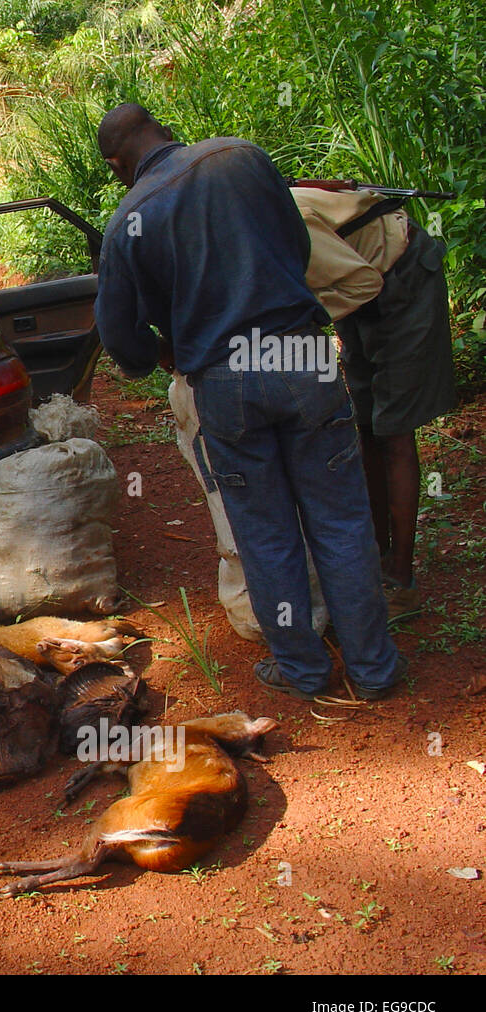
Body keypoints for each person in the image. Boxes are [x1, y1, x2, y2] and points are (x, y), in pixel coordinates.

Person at [92, 104, 406, 701]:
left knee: (265, 533)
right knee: (341, 521)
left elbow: (120, 340)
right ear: (163, 128)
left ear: (116, 163)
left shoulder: (128, 219)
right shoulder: (242, 157)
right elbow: (297, 246)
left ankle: (303, 670)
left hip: (223, 379)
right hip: (301, 358)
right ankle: (373, 669)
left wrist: (163, 349)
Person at [290, 185, 456, 616]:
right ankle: (376, 555)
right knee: (365, 423)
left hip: (397, 274)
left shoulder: (288, 220)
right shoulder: (247, 219)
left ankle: (401, 579)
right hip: (355, 283)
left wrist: (296, 321)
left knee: (393, 430)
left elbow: (361, 283)